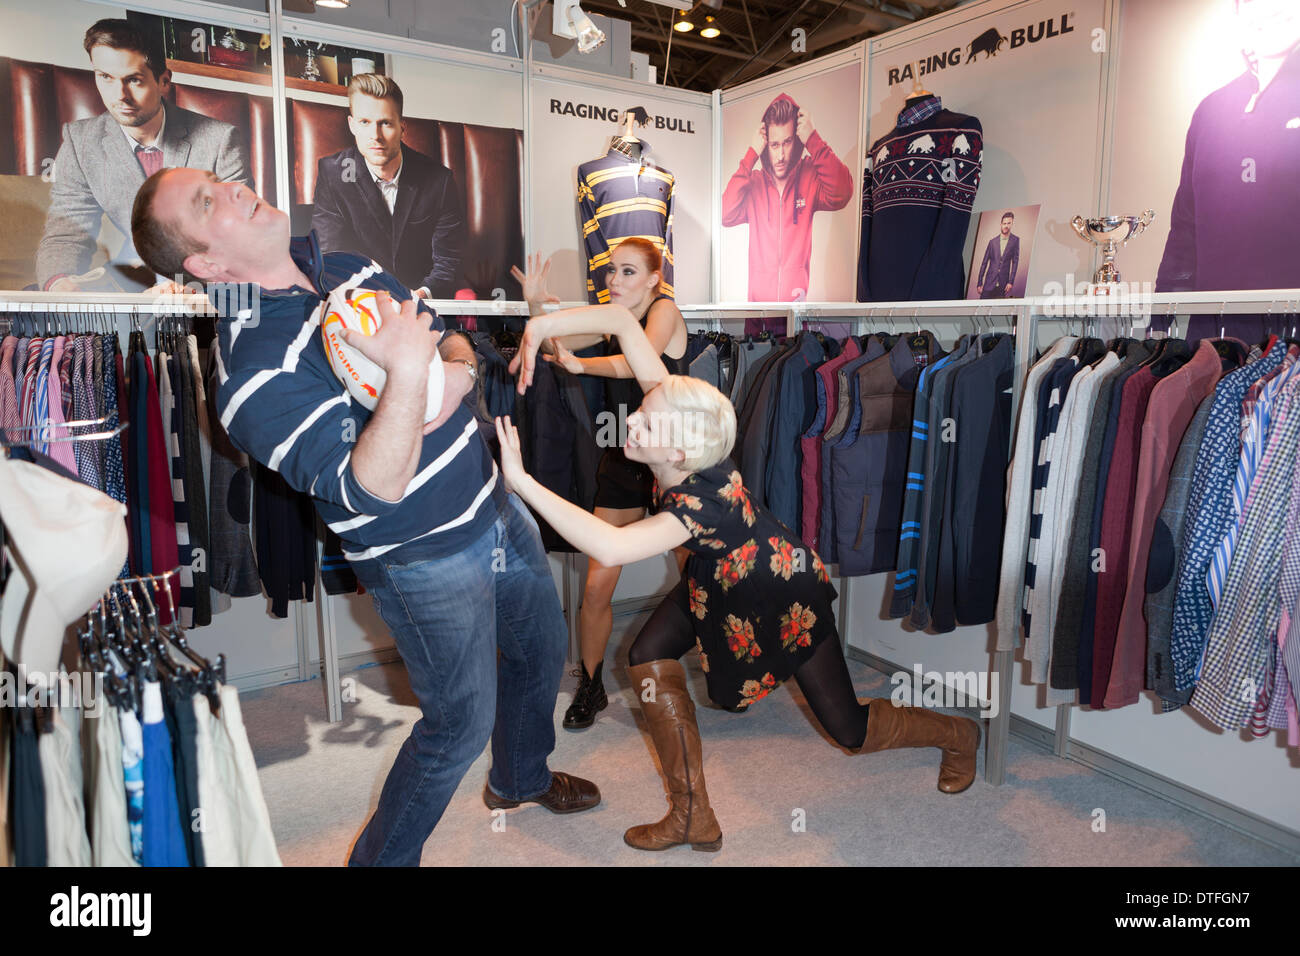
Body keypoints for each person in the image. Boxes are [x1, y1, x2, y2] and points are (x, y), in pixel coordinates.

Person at [129, 166, 598, 867]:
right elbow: (373, 486)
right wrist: (414, 378)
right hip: (424, 558)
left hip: (492, 499)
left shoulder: (343, 262)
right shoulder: (251, 375)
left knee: (540, 650)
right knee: (457, 727)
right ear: (206, 263)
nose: (233, 187)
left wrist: (453, 372)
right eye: (206, 201)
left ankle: (520, 779)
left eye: (219, 178)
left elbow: (444, 342)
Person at [497, 306, 982, 852]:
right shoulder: (686, 433)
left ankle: (958, 735)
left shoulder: (699, 505)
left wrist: (521, 482)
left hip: (778, 594)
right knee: (646, 655)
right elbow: (629, 328)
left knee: (849, 729)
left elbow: (608, 545)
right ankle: (691, 816)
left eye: (645, 423)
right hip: (721, 577)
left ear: (676, 451)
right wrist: (543, 326)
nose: (632, 420)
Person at [510, 240, 689, 731]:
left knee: (698, 580)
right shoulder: (613, 316)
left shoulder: (664, 310)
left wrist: (580, 366)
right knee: (596, 585)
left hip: (676, 462)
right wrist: (535, 306)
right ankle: (591, 684)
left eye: (627, 271)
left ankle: (718, 664)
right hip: (626, 458)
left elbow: (639, 361)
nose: (614, 280)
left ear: (654, 278)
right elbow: (553, 347)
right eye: (612, 271)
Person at [38, 19, 252, 294]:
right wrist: (60, 282)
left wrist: (188, 283)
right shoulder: (80, 143)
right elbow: (66, 233)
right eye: (105, 77)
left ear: (164, 81)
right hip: (124, 290)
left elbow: (237, 236)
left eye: (134, 80)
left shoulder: (220, 141)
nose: (120, 96)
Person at [1157, 0, 1300, 297]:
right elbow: (1185, 223)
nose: (1267, 7)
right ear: (1237, 11)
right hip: (1217, 328)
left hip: (1291, 330)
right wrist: (1163, 320)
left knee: (1281, 347)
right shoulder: (1211, 110)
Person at [311, 73, 465, 299]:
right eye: (365, 122)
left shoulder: (438, 181)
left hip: (420, 307)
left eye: (385, 123)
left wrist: (418, 297)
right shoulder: (333, 174)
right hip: (357, 304)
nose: (375, 136)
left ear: (402, 127)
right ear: (352, 125)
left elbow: (449, 263)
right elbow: (329, 258)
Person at [721, 93, 853, 330]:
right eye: (774, 145)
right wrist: (751, 154)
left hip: (796, 312)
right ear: (766, 145)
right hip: (757, 315)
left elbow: (842, 193)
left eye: (787, 142)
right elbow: (726, 213)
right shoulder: (753, 183)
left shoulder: (809, 175)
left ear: (797, 141)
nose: (780, 155)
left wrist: (813, 139)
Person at [976, 212, 1019, 299]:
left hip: (1003, 284)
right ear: (1001, 224)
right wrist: (979, 282)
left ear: (1012, 224)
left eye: (1008, 223)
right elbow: (984, 263)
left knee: (998, 311)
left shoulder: (1015, 240)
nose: (1006, 226)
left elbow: (1015, 262)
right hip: (989, 282)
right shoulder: (992, 242)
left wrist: (1011, 282)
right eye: (1004, 223)